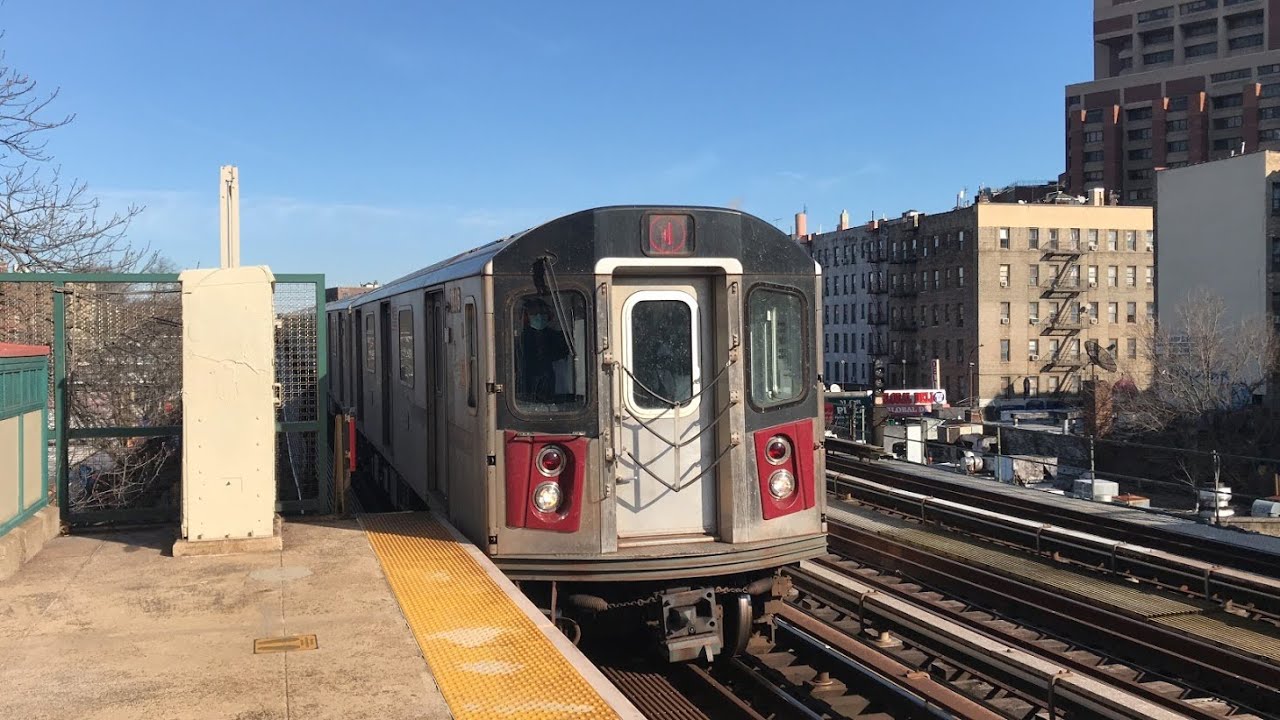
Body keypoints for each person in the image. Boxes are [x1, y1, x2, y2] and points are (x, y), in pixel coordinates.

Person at [520, 298, 569, 404]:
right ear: (527, 317)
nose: (539, 316)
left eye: (543, 313)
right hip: (527, 381)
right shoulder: (521, 339)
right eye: (534, 313)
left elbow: (564, 357)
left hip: (552, 380)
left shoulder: (559, 337)